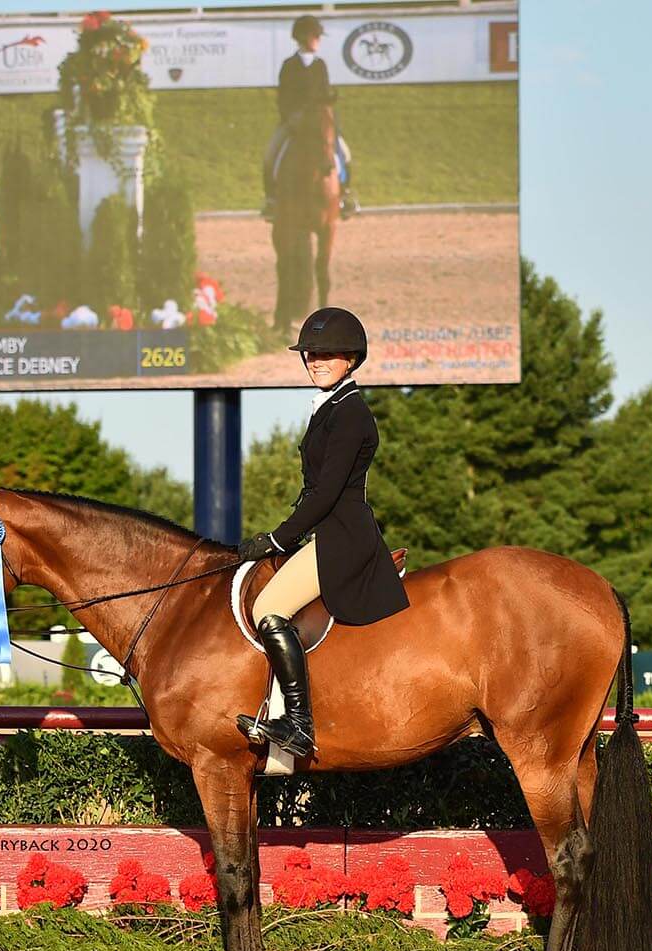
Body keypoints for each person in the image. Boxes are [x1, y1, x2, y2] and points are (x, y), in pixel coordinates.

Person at [235, 307, 408, 757]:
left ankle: (298, 724)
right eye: (310, 353)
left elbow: (326, 494)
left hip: (343, 535)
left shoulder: (350, 414)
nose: (315, 360)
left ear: (351, 358)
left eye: (327, 354)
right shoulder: (332, 408)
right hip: (328, 532)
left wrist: (277, 538)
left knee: (268, 607)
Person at [261, 14, 359, 221]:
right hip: (294, 123)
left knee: (345, 153)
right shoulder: (289, 66)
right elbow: (283, 98)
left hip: (319, 123)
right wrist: (290, 118)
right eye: (316, 36)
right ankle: (271, 200)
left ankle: (344, 196)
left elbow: (324, 94)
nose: (319, 41)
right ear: (304, 37)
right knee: (270, 154)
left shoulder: (320, 65)